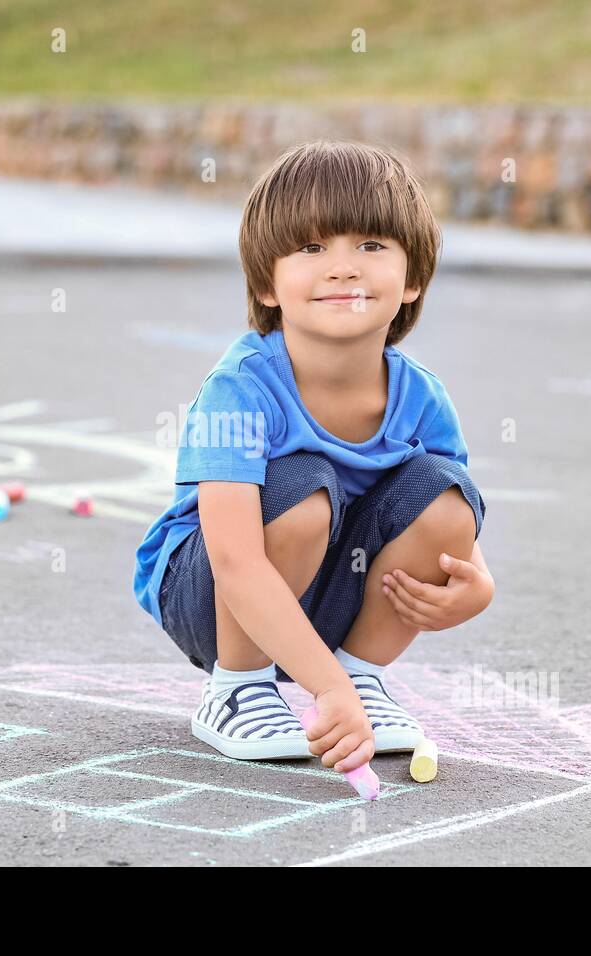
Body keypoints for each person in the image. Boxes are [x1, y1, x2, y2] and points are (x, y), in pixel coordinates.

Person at [133, 139, 491, 774]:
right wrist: (327, 693)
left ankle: (365, 675)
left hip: (329, 596)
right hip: (214, 598)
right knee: (304, 487)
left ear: (411, 281)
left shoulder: (422, 396)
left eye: (371, 246)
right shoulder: (239, 389)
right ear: (268, 285)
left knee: (444, 491)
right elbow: (234, 559)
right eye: (311, 247)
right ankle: (237, 689)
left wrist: (477, 586)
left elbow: (457, 523)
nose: (343, 267)